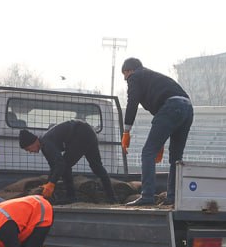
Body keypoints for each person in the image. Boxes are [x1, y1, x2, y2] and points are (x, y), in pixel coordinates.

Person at [120, 57, 193, 207]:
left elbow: (132, 102)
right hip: (187, 108)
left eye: (124, 74)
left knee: (148, 152)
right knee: (176, 157)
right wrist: (160, 144)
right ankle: (173, 197)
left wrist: (126, 131)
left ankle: (147, 196)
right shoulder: (153, 78)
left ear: (129, 70)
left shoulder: (135, 77)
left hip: (172, 106)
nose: (125, 79)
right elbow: (162, 110)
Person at [18, 120, 117, 204]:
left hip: (80, 133)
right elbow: (53, 166)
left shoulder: (46, 143)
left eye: (28, 149)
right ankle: (112, 198)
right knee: (97, 167)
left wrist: (51, 183)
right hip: (88, 132)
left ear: (33, 142)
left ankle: (71, 196)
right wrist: (48, 184)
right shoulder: (45, 144)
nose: (30, 152)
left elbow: (60, 164)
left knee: (64, 165)